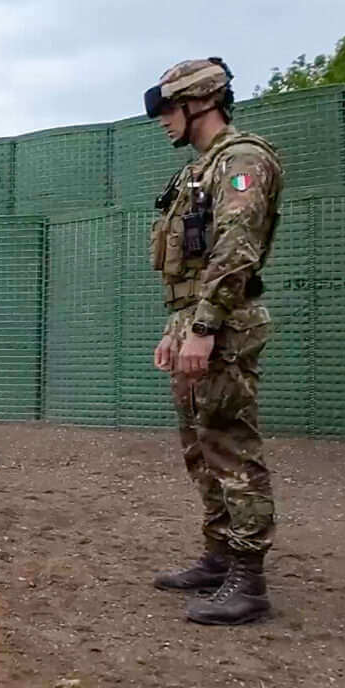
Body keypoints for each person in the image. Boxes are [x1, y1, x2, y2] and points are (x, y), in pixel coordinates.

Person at [145, 57, 285, 625]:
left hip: (222, 323)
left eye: (167, 109)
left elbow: (236, 251)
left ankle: (249, 581)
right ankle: (219, 555)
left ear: (198, 103)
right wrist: (177, 326)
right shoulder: (201, 169)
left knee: (230, 447)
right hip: (195, 320)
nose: (161, 121)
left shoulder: (242, 161)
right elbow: (193, 259)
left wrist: (203, 327)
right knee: (201, 448)